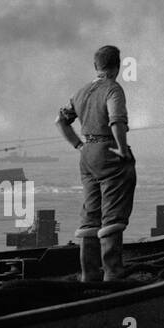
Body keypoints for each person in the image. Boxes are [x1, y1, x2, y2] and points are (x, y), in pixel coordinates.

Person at [55, 45, 136, 282]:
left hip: (87, 154)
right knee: (113, 213)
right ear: (117, 67)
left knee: (91, 213)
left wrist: (78, 145)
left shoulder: (81, 92)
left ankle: (89, 274)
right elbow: (116, 121)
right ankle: (112, 273)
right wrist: (122, 150)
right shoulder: (113, 89)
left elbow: (60, 120)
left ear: (95, 66)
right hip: (108, 150)